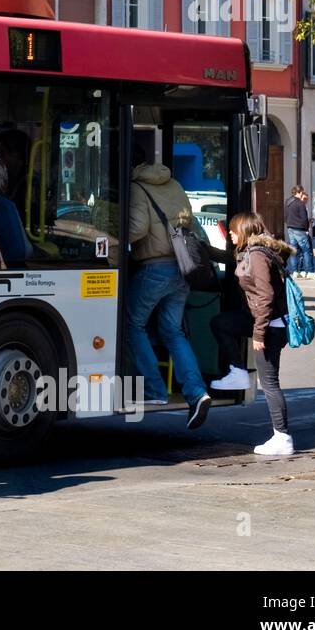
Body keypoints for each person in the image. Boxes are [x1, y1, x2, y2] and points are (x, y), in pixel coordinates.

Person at [126, 144, 212, 428]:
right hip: (182, 266)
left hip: (155, 267)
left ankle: (154, 390)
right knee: (173, 331)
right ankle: (197, 392)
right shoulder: (173, 183)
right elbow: (189, 221)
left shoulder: (138, 188)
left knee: (131, 323)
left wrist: (112, 229)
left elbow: (137, 229)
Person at [215, 213, 294, 455]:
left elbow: (266, 296)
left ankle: (282, 438)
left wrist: (259, 334)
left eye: (233, 229)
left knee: (269, 382)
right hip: (265, 322)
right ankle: (237, 371)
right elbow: (230, 258)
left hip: (271, 326)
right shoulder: (251, 251)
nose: (229, 233)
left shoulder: (258, 255)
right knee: (222, 324)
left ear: (244, 229)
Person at [283, 185, 315, 279]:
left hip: (290, 227)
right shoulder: (300, 203)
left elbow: (285, 216)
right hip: (300, 229)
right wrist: (306, 228)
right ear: (299, 192)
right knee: (306, 250)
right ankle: (309, 271)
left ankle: (294, 271)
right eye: (302, 191)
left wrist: (289, 223)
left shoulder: (288, 202)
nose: (302, 193)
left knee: (294, 250)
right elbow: (304, 218)